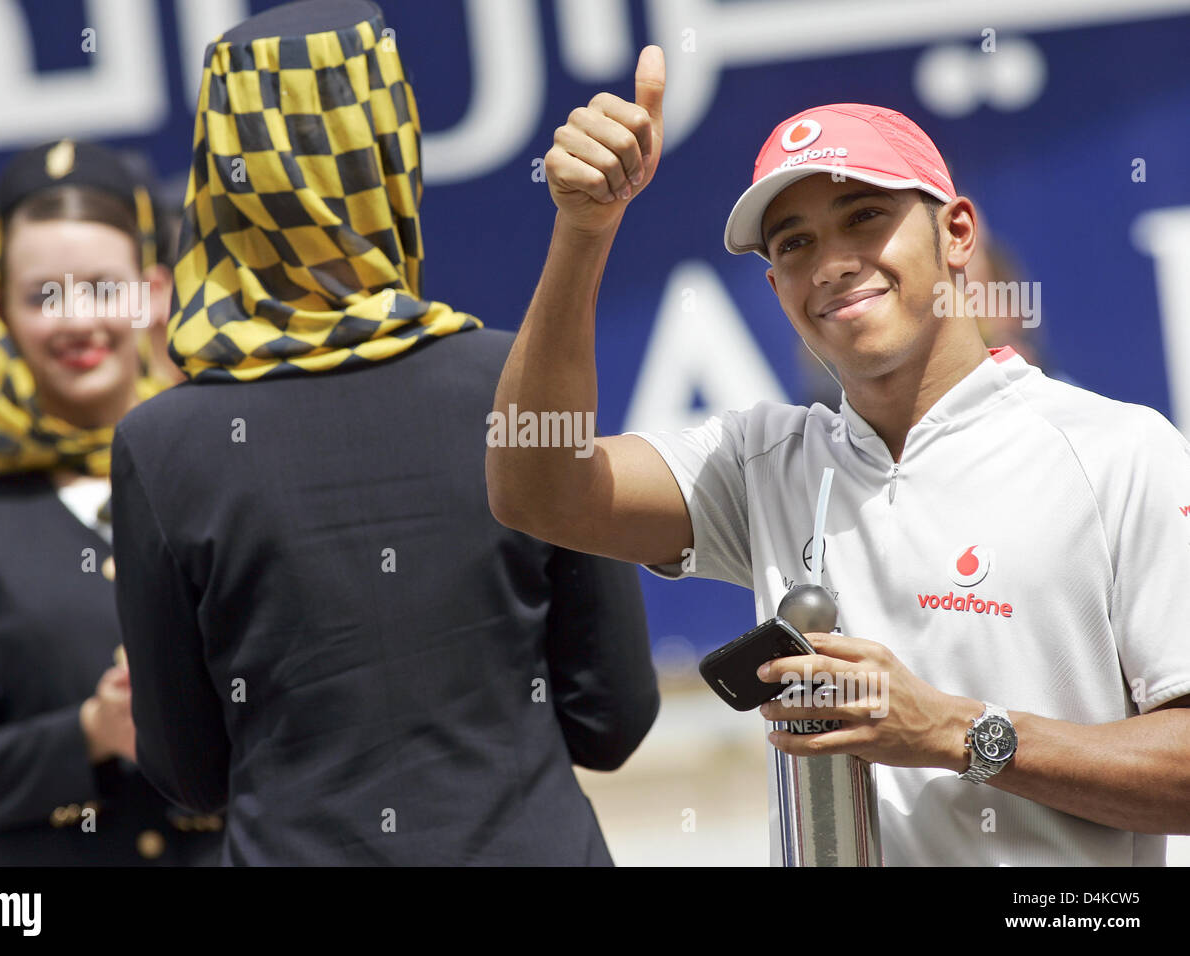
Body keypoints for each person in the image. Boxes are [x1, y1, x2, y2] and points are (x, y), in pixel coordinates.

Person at [486, 48, 1190, 866]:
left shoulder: (1118, 452)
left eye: (864, 217)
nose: (831, 264)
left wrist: (954, 731)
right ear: (776, 284)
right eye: (794, 244)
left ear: (956, 233)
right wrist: (584, 230)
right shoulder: (764, 460)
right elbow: (538, 488)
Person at [109, 0, 658, 866]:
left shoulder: (161, 443)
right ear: (392, 148)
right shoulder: (512, 379)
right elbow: (614, 717)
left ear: (220, 172)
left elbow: (189, 772)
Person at [0, 140, 222, 865]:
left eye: (103, 288)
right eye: (44, 295)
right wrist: (91, 734)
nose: (77, 321)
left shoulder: (220, 459)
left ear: (153, 293)